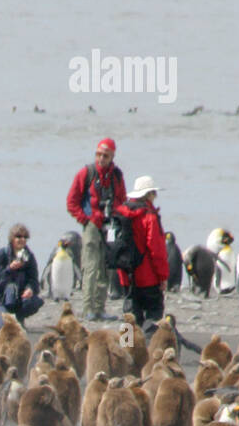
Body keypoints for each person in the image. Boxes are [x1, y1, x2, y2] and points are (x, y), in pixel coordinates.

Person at [66, 138, 127, 321]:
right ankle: (88, 308)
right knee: (91, 266)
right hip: (92, 225)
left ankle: (100, 308)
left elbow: (122, 200)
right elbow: (71, 202)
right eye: (99, 154)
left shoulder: (116, 176)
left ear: (112, 156)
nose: (101, 158)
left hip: (110, 225)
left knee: (106, 266)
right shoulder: (86, 173)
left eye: (105, 155)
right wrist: (85, 219)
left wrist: (118, 217)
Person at [115, 176, 168, 327]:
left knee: (129, 317)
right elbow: (156, 251)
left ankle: (127, 347)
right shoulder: (149, 216)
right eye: (153, 193)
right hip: (148, 276)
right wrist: (162, 276)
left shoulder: (121, 214)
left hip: (126, 274)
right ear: (149, 194)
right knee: (154, 313)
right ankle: (149, 346)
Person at [0, 224, 44, 330]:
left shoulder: (29, 257)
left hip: (19, 297)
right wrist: (9, 269)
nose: (22, 239)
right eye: (19, 236)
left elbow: (34, 280)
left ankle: (18, 317)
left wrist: (30, 289)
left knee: (35, 301)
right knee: (3, 327)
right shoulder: (1, 254)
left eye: (25, 237)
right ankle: (1, 314)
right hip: (0, 297)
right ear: (12, 238)